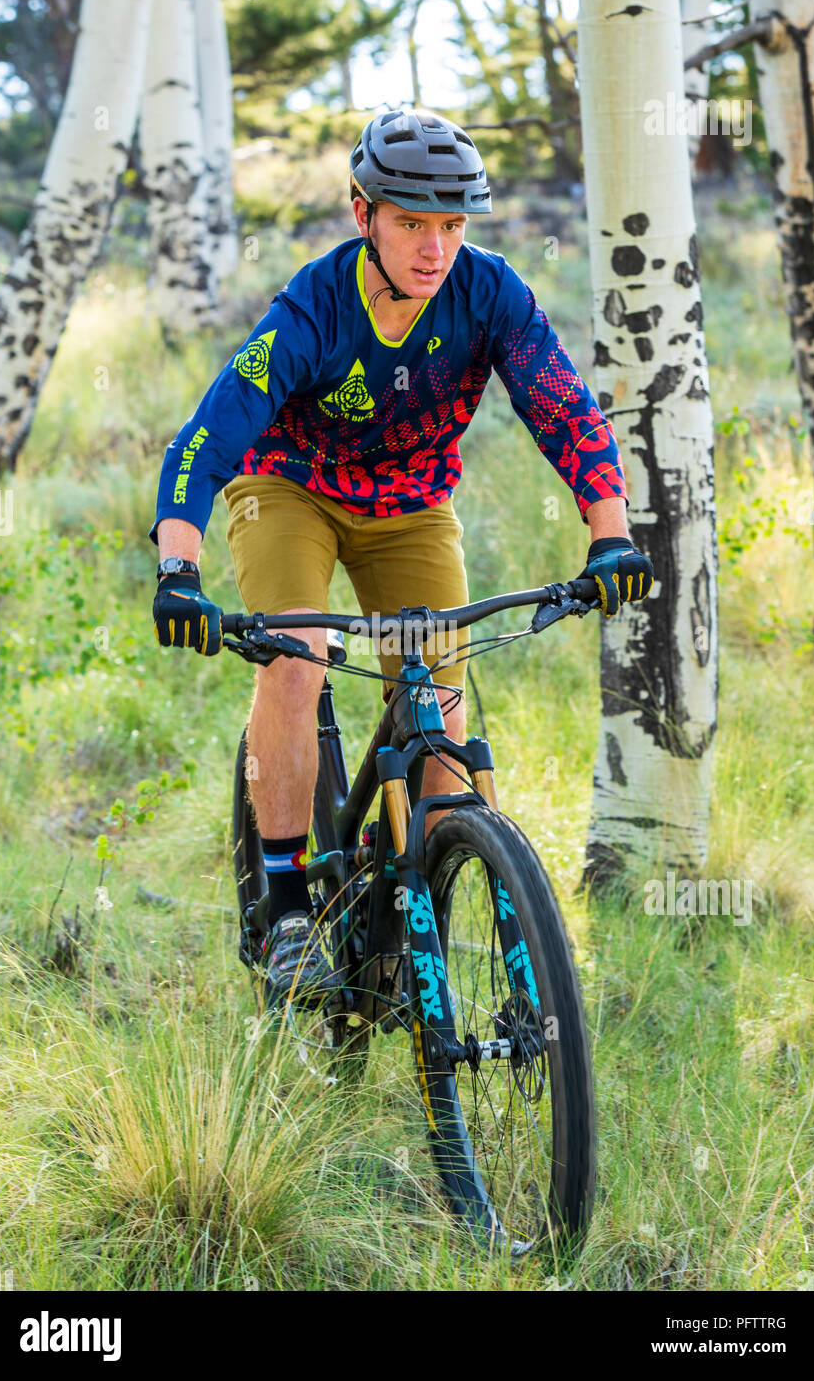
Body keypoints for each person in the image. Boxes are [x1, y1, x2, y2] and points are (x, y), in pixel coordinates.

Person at [150, 108, 653, 1007]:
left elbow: (562, 404)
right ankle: (291, 898)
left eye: (453, 225)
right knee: (299, 664)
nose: (435, 249)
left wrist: (609, 533)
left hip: (412, 506)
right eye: (413, 223)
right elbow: (211, 434)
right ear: (363, 215)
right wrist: (178, 569)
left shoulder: (489, 293)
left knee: (440, 728)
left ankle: (417, 897)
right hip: (288, 491)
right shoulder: (315, 305)